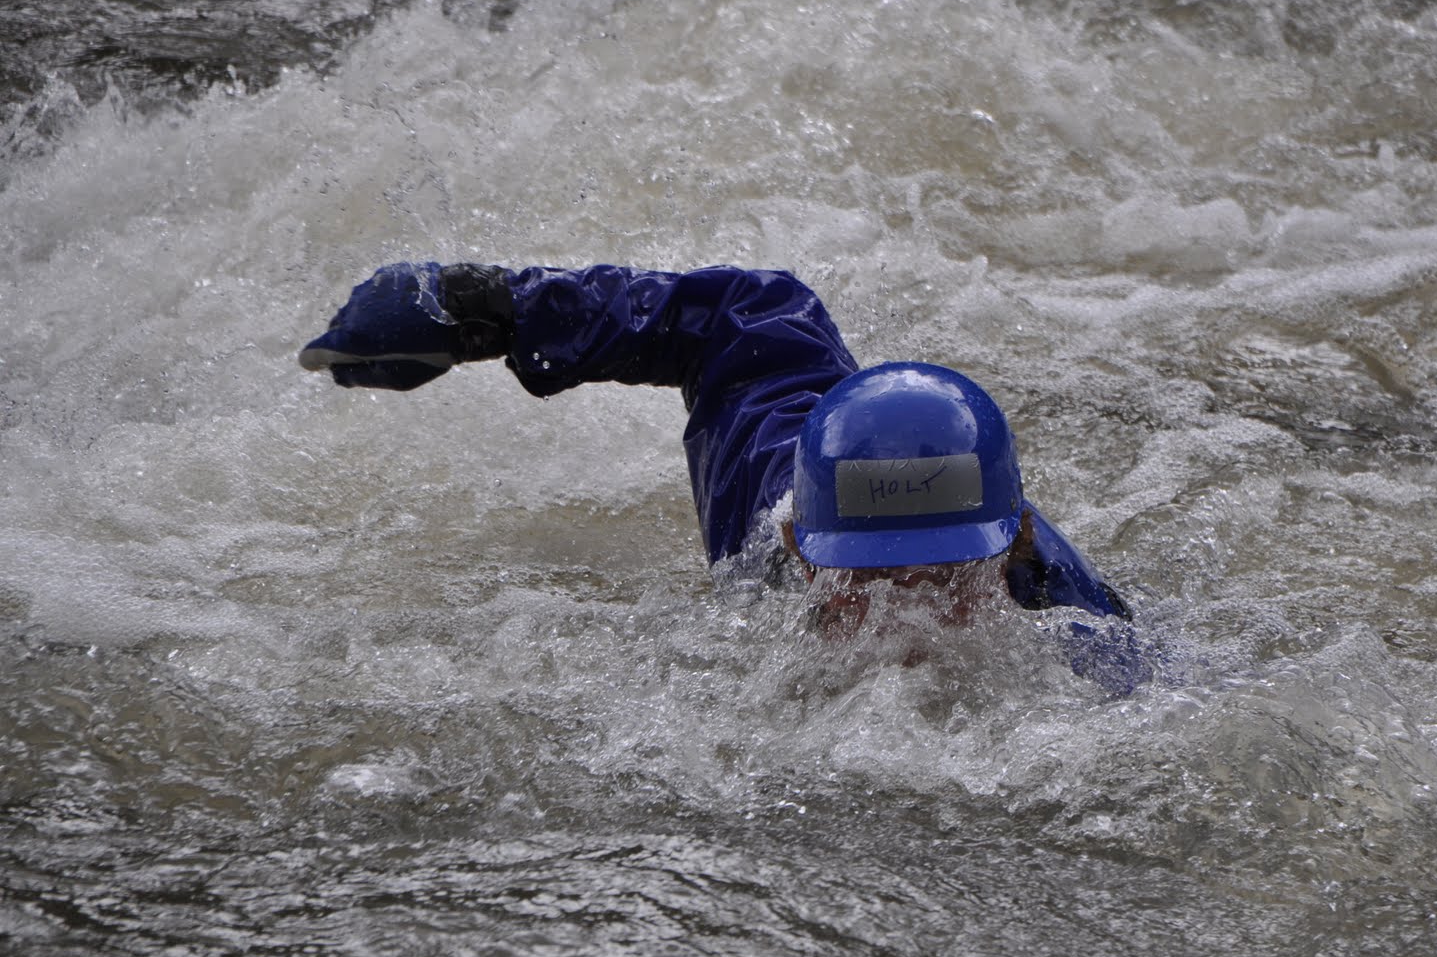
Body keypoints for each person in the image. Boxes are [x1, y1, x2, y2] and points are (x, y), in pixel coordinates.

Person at [299, 262, 1148, 689]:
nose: (912, 621)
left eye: (947, 577)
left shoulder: (1069, 618)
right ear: (800, 552)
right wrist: (490, 306)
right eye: (869, 583)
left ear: (1016, 546)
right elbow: (730, 312)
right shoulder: (762, 473)